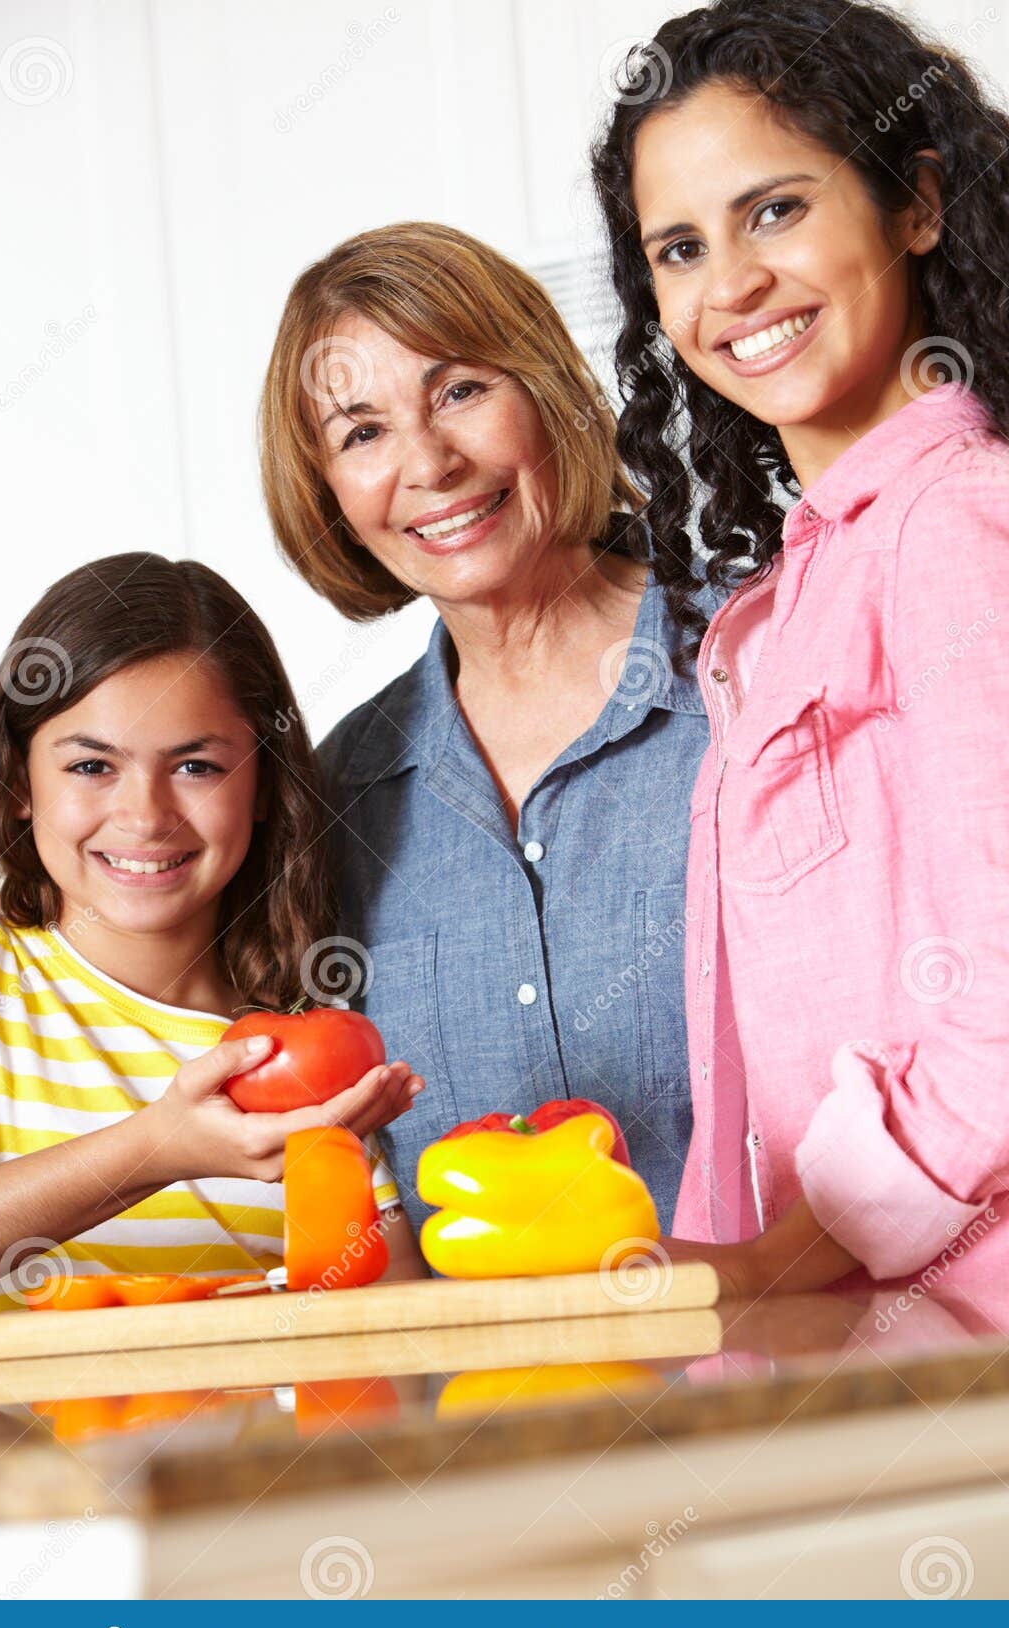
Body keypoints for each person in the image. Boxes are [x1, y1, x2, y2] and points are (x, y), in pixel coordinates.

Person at [591, 0, 1009, 1300]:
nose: (726, 286)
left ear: (916, 204)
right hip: (872, 1356)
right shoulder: (797, 587)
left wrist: (779, 1262)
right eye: (677, 246)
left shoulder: (954, 526)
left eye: (772, 210)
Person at [259, 221, 713, 1233]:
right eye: (362, 432)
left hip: (803, 1376)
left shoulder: (760, 664)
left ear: (547, 391)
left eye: (460, 389)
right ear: (328, 493)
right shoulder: (337, 796)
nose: (428, 461)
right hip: (483, 1392)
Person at [0, 555, 423, 1315]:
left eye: (198, 766)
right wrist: (155, 1149)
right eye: (92, 765)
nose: (145, 816)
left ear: (265, 785)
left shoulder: (309, 1053)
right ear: (16, 785)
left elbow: (396, 1347)